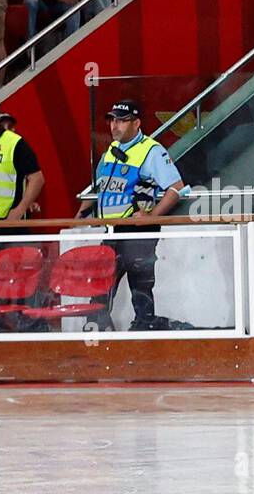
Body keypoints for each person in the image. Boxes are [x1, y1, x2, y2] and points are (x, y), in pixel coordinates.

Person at [77, 99, 187, 330]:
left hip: (138, 230)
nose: (114, 125)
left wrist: (153, 215)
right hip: (111, 229)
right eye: (113, 120)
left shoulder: (151, 150)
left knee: (140, 285)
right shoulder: (111, 151)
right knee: (102, 282)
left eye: (122, 121)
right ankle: (96, 326)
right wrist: (81, 213)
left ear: (136, 123)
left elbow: (176, 186)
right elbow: (100, 187)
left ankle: (144, 328)